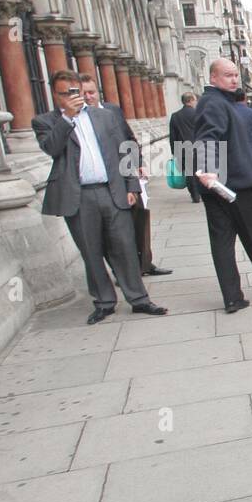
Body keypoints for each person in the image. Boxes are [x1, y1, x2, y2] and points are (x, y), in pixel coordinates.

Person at [32, 70, 168, 324]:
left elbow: (125, 150)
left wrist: (132, 187)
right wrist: (67, 119)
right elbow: (51, 148)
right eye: (66, 93)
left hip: (111, 190)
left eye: (76, 92)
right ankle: (104, 302)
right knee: (91, 251)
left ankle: (139, 299)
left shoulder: (104, 116)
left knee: (126, 247)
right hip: (79, 196)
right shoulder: (45, 121)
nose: (73, 97)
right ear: (55, 94)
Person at [191, 59, 252, 314]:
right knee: (251, 236)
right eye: (227, 75)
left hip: (226, 183)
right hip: (233, 188)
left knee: (226, 240)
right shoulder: (214, 103)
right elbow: (207, 138)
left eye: (235, 74)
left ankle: (235, 297)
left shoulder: (221, 102)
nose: (234, 79)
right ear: (213, 77)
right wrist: (208, 170)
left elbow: (232, 142)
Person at [78, 74, 171, 278]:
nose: (88, 97)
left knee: (138, 221)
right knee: (111, 233)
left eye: (91, 92)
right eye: (83, 93)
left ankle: (145, 263)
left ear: (98, 92)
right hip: (99, 184)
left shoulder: (112, 111)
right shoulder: (75, 119)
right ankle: (123, 272)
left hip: (124, 176)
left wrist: (138, 164)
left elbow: (128, 138)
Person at [169, 92, 201, 203]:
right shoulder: (198, 114)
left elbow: (173, 136)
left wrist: (175, 152)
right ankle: (201, 192)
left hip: (183, 149)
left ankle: (194, 195)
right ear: (191, 100)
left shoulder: (175, 116)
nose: (196, 102)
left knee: (189, 173)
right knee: (200, 171)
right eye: (195, 100)